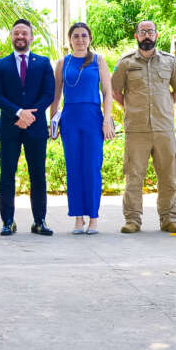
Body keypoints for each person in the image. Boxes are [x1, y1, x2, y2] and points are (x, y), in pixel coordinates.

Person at [111, 20, 176, 234]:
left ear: (156, 35)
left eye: (150, 32)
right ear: (136, 36)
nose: (147, 35)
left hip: (164, 128)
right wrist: (132, 108)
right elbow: (116, 92)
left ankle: (169, 219)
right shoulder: (125, 63)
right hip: (136, 129)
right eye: (142, 32)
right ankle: (132, 220)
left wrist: (164, 105)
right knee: (134, 176)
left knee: (168, 176)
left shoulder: (170, 61)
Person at [0, 18, 56, 236]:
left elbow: (48, 94)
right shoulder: (1, 64)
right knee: (7, 174)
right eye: (16, 33)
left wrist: (30, 115)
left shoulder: (43, 62)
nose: (20, 37)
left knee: (38, 175)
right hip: (10, 127)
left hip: (36, 130)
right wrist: (18, 113)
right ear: (11, 36)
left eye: (24, 33)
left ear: (31, 37)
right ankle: (8, 221)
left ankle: (39, 221)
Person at [52, 22, 116, 234]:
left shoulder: (99, 61)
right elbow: (56, 94)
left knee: (92, 167)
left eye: (84, 36)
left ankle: (94, 218)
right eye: (76, 36)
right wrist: (52, 121)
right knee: (73, 168)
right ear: (70, 40)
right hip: (70, 118)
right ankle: (78, 217)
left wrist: (107, 120)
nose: (80, 39)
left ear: (89, 39)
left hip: (92, 117)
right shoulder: (63, 62)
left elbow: (107, 93)